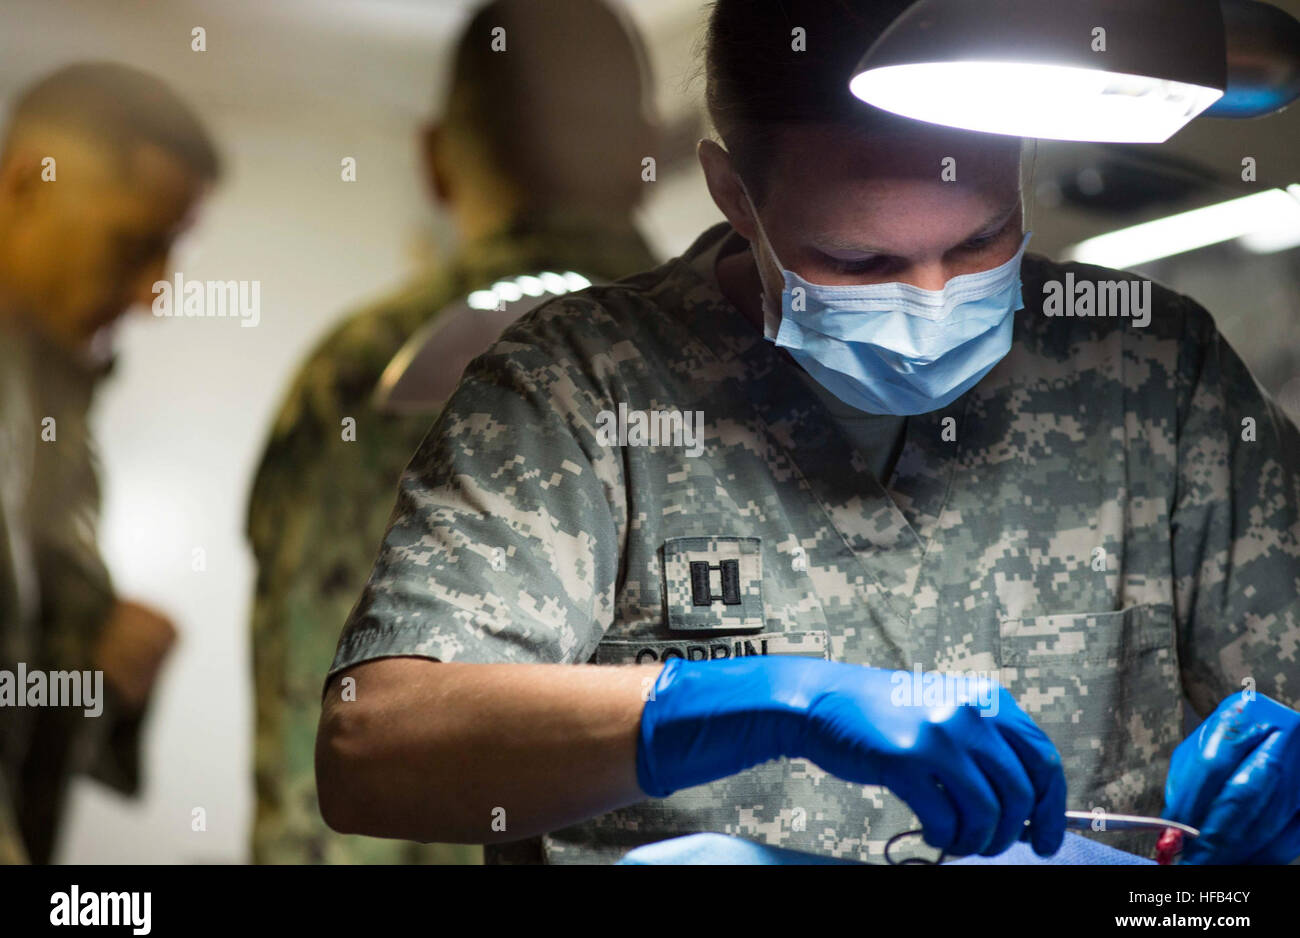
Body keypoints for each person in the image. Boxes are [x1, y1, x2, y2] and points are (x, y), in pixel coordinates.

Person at [315, 0, 1300, 865]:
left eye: (980, 241)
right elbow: (371, 749)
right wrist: (766, 701)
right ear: (733, 194)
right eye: (859, 262)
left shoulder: (1147, 367)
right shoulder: (581, 388)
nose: (932, 299)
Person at [246, 0, 659, 864]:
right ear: (647, 157)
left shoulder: (350, 371)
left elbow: (293, 693)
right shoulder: (738, 353)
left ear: (435, 161)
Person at [0, 62, 218, 863]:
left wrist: (96, 653)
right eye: (133, 246)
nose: (154, 294)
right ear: (27, 183)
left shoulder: (49, 395)